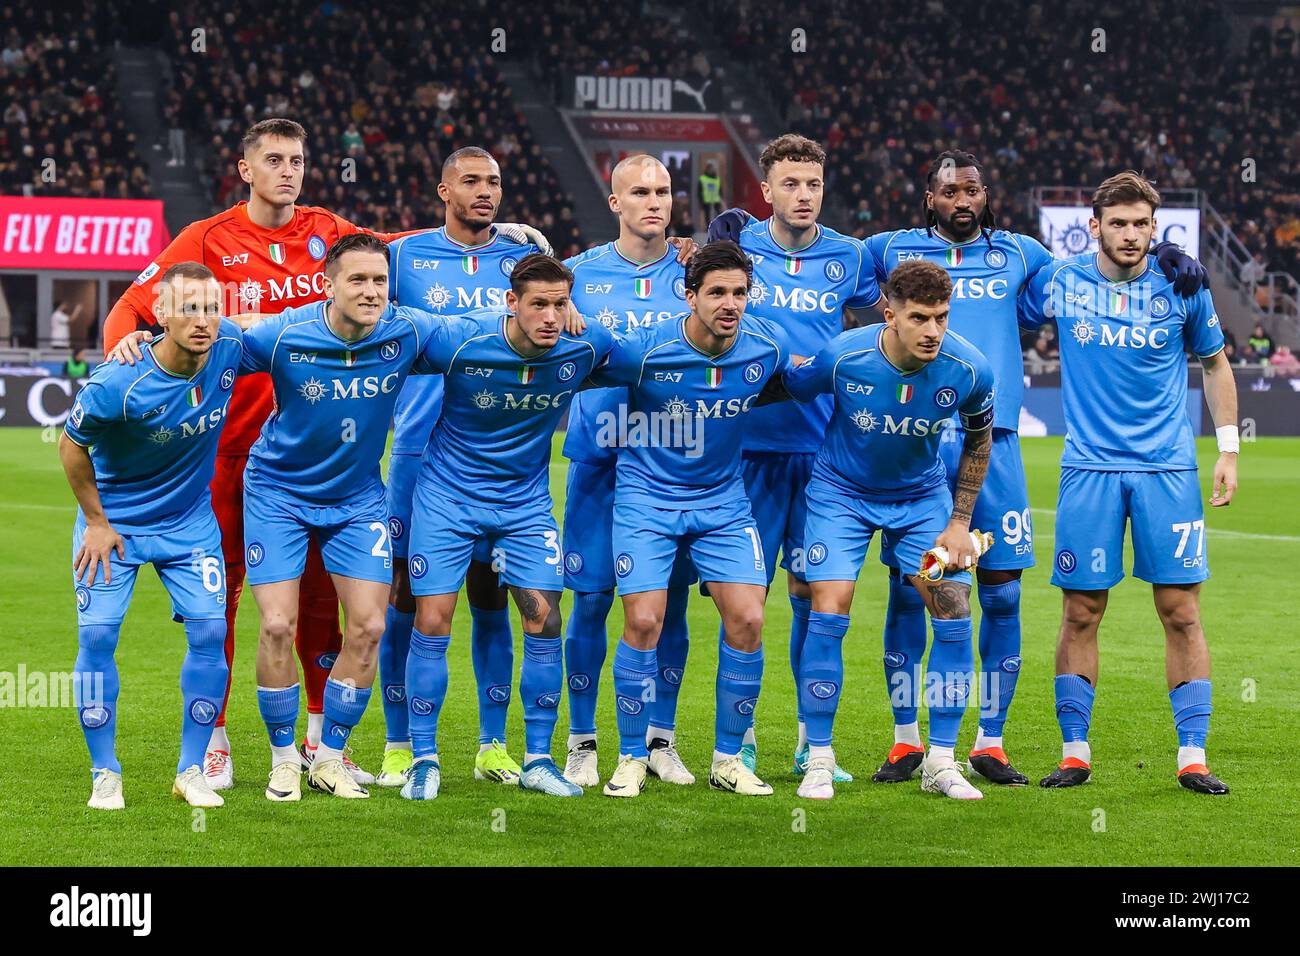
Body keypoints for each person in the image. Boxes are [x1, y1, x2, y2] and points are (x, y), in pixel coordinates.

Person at [102, 117, 541, 791]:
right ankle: (215, 740)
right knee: (221, 601)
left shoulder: (329, 233)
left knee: (319, 604)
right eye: (274, 159)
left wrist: (481, 241)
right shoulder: (208, 239)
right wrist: (124, 345)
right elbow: (135, 308)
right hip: (230, 451)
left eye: (298, 159)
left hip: (332, 463)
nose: (288, 170)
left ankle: (317, 740)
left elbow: (386, 255)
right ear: (246, 169)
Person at [859, 149, 1207, 787]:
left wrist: (1167, 259)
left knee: (1004, 592)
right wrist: (741, 232)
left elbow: (1105, 268)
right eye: (949, 192)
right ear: (928, 196)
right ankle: (907, 739)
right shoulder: (889, 250)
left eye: (972, 190)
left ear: (985, 193)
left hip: (996, 446)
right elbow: (819, 266)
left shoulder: (1022, 255)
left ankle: (989, 741)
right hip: (919, 443)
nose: (962, 201)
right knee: (920, 589)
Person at [1021, 171, 1239, 795]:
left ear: (1154, 226)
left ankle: (1192, 757)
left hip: (1168, 470)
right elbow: (991, 286)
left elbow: (1216, 363)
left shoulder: (1182, 286)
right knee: (1081, 611)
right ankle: (1074, 752)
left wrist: (1228, 449)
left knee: (1181, 611)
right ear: (1093, 227)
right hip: (1088, 469)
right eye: (1117, 223)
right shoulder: (1063, 283)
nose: (1130, 234)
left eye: (1141, 223)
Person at [781, 259, 996, 800]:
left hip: (922, 501)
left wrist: (959, 522)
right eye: (919, 317)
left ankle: (941, 762)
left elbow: (979, 440)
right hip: (840, 496)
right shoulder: (844, 354)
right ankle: (821, 758)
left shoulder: (969, 369)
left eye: (941, 318)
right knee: (829, 610)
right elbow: (791, 384)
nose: (932, 331)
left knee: (952, 612)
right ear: (890, 313)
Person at [401, 254, 614, 801]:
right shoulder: (461, 342)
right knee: (433, 619)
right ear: (510, 302)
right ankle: (423, 759)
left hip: (523, 508)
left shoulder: (584, 349)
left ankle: (539, 758)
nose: (549, 316)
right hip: (448, 500)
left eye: (559, 304)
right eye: (537, 304)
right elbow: (391, 330)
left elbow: (669, 351)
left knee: (543, 620)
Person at [589, 240, 795, 799]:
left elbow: (805, 376)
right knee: (646, 622)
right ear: (689, 296)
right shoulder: (647, 351)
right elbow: (585, 363)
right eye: (717, 293)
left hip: (723, 502)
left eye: (740, 293)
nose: (731, 304)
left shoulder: (761, 351)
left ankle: (727, 758)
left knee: (750, 618)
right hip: (646, 498)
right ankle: (632, 756)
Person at [708, 133, 883, 783]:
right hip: (745, 451)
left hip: (822, 457)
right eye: (791, 184)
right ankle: (741, 739)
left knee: (815, 598)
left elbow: (892, 309)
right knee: (743, 602)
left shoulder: (848, 256)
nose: (803, 195)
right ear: (766, 190)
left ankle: (814, 743)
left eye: (812, 184)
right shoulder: (737, 248)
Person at [376, 146, 545, 789]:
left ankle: (493, 745)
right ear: (442, 188)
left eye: (494, 182)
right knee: (406, 597)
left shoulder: (521, 259)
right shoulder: (406, 256)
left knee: (491, 598)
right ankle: (398, 745)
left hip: (499, 459)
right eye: (471, 181)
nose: (485, 191)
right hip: (419, 453)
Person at [59, 262, 241, 810]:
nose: (203, 320)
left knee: (211, 633)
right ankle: (104, 771)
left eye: (212, 308)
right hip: (114, 528)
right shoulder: (121, 379)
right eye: (188, 307)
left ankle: (192, 770)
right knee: (96, 640)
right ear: (160, 313)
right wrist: (95, 521)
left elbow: (273, 326)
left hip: (189, 526)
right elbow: (71, 447)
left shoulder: (229, 349)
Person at [559, 154, 698, 789]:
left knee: (667, 612)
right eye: (640, 192)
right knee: (591, 604)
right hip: (601, 463)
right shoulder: (577, 276)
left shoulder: (697, 273)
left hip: (677, 470)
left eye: (664, 191)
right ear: (614, 202)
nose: (654, 202)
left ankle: (659, 739)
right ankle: (583, 740)